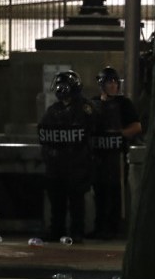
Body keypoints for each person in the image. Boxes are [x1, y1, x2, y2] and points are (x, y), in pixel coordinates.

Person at [38, 70, 95, 244]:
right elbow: (44, 133)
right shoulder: (53, 110)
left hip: (77, 163)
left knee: (76, 200)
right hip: (56, 165)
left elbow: (90, 132)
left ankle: (77, 231)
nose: (61, 90)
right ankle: (56, 230)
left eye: (64, 86)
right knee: (57, 200)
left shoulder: (85, 108)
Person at [89, 66, 141, 240]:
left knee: (115, 192)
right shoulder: (93, 103)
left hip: (116, 156)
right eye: (109, 82)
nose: (113, 86)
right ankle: (100, 227)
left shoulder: (124, 104)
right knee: (99, 192)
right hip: (98, 156)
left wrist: (120, 134)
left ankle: (113, 228)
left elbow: (136, 126)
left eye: (115, 82)